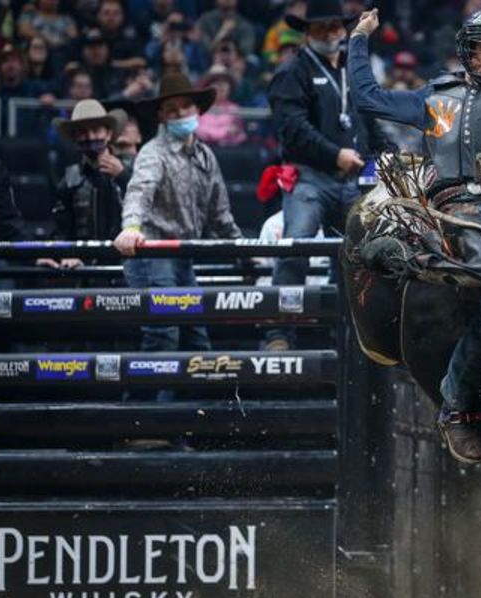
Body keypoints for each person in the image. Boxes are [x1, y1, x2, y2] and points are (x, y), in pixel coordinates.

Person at [347, 8, 481, 463]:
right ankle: (456, 401)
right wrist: (359, 41)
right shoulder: (434, 96)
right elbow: (367, 98)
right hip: (457, 215)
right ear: (467, 53)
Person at [264, 0, 390, 351]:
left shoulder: (353, 69)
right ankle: (278, 333)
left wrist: (393, 154)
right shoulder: (293, 72)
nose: (330, 33)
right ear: (306, 32)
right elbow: (292, 128)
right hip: (309, 176)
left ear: (344, 29)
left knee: (356, 255)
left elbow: (369, 122)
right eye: (321, 27)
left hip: (351, 180)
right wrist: (334, 154)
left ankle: (350, 336)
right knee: (297, 245)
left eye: (335, 27)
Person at [114, 73, 243, 409]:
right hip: (151, 254)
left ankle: (181, 422)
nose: (179, 114)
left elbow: (220, 214)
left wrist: (246, 252)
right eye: (171, 109)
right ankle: (142, 421)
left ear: (197, 111)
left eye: (185, 107)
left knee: (196, 343)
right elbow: (139, 191)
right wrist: (131, 226)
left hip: (183, 257)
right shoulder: (152, 153)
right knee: (163, 335)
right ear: (161, 116)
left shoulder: (205, 156)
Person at [49, 100, 132, 270]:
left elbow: (152, 210)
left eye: (96, 130)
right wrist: (67, 255)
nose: (90, 137)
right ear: (74, 139)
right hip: (85, 269)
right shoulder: (69, 179)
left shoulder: (133, 168)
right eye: (82, 132)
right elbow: (61, 229)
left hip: (130, 268)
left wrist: (124, 177)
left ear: (109, 134)